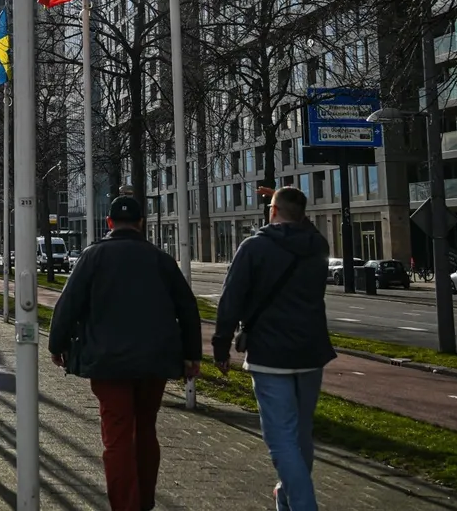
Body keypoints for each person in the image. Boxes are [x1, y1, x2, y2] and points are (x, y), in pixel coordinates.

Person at [49, 192, 201, 511]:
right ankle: (144, 500)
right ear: (141, 224)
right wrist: (192, 355)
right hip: (154, 361)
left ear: (109, 223)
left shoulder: (93, 257)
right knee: (146, 429)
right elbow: (187, 308)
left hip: (108, 363)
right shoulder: (161, 260)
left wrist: (57, 345)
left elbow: (68, 304)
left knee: (117, 437)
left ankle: (126, 505)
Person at [212, 185, 336, 511]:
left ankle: (303, 504)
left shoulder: (254, 248)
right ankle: (286, 496)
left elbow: (231, 300)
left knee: (281, 440)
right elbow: (302, 229)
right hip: (311, 353)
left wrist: (221, 345)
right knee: (301, 436)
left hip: (269, 355)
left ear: (273, 211)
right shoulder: (317, 246)